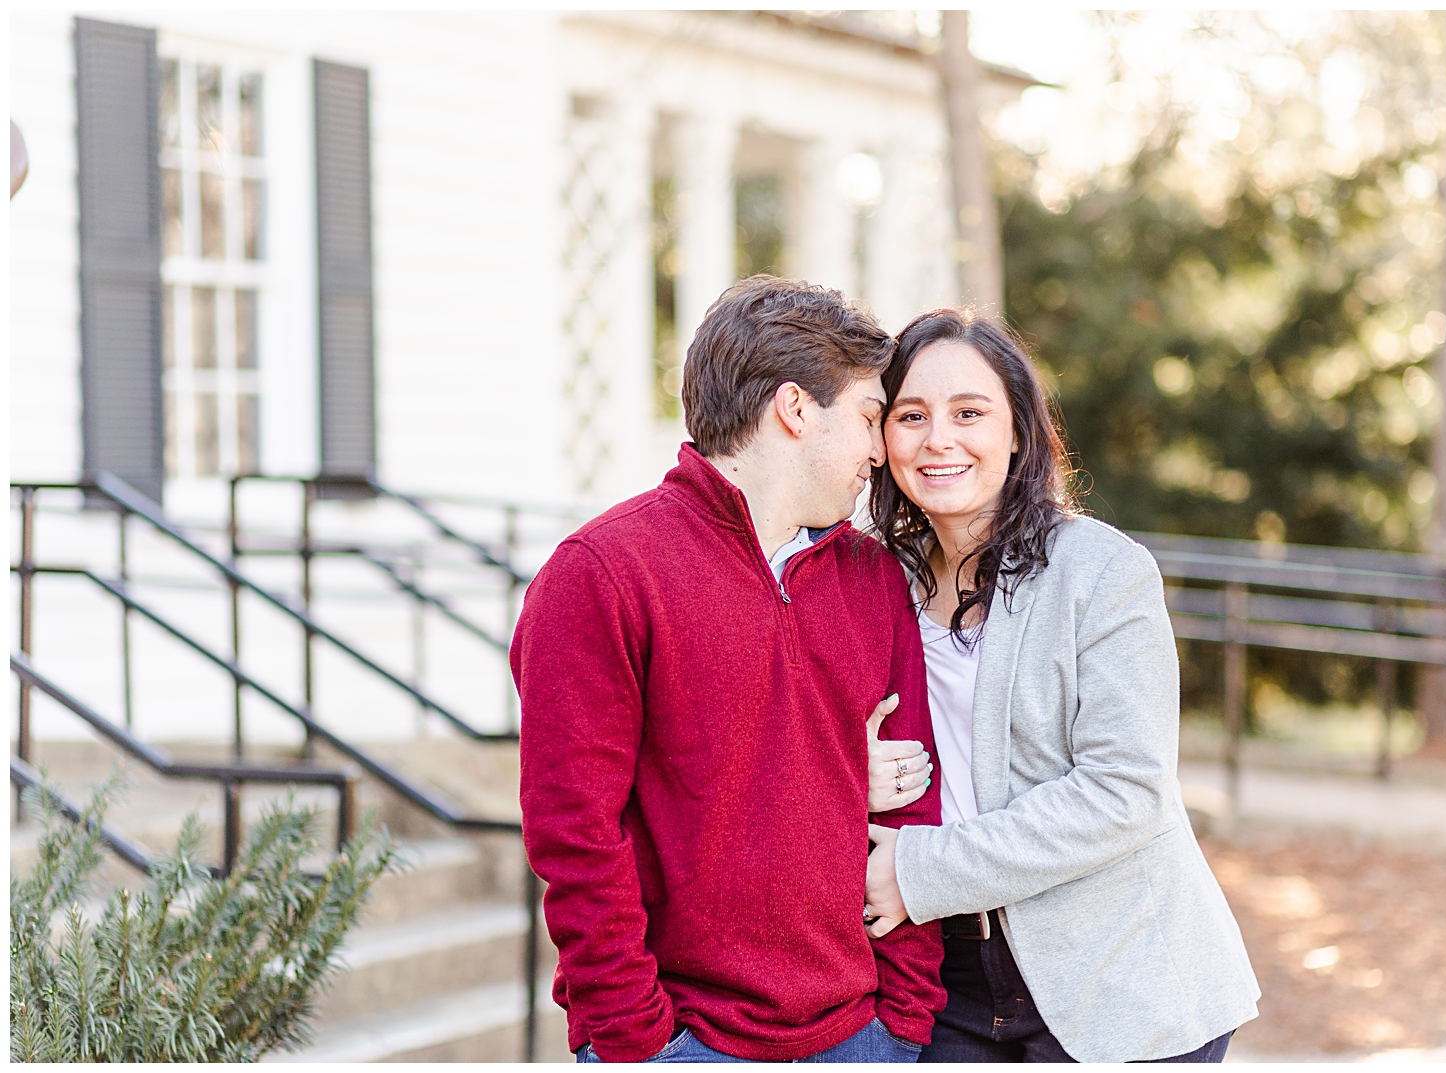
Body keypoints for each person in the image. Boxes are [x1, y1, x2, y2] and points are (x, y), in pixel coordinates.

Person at [512, 276, 946, 1063]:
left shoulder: (873, 580)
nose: (881, 452)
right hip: (683, 1043)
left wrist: (904, 1020)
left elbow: (915, 809)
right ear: (794, 409)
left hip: (863, 1038)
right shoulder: (603, 574)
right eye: (869, 417)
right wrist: (635, 1041)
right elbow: (575, 836)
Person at [859, 309, 1260, 1063]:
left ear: (1017, 432)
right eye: (911, 415)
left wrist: (918, 870)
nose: (937, 438)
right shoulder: (877, 581)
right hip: (946, 983)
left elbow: (1123, 791)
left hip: (1120, 977)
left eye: (968, 412)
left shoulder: (1103, 572)